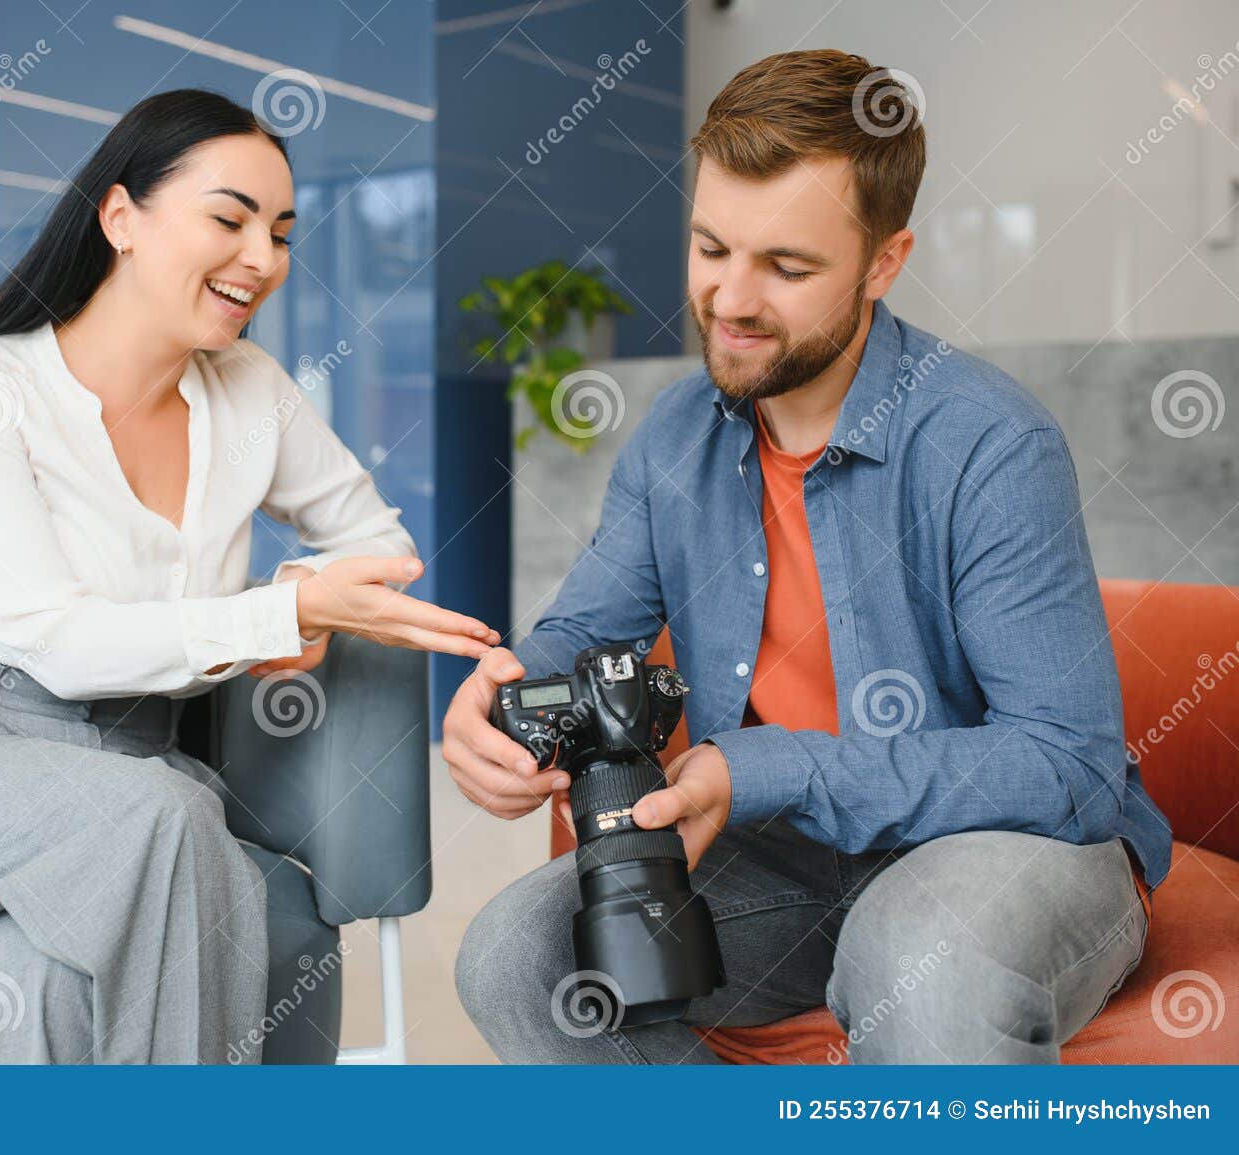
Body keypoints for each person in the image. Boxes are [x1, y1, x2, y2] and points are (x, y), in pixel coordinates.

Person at [445, 49, 1169, 1064]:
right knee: (516, 955)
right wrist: (506, 700)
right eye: (709, 249)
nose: (730, 301)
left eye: (785, 268)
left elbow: (1065, 765)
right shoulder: (674, 435)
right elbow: (585, 630)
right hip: (787, 858)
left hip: (1001, 848)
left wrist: (761, 768)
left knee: (912, 951)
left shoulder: (988, 444)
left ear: (883, 261)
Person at [0, 89, 499, 1064]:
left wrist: (310, 607)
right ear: (120, 217)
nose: (262, 258)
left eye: (283, 232)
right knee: (170, 818)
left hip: (126, 771)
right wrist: (274, 614)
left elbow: (376, 542)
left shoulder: (250, 391)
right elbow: (64, 646)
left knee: (38, 976)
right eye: (229, 218)